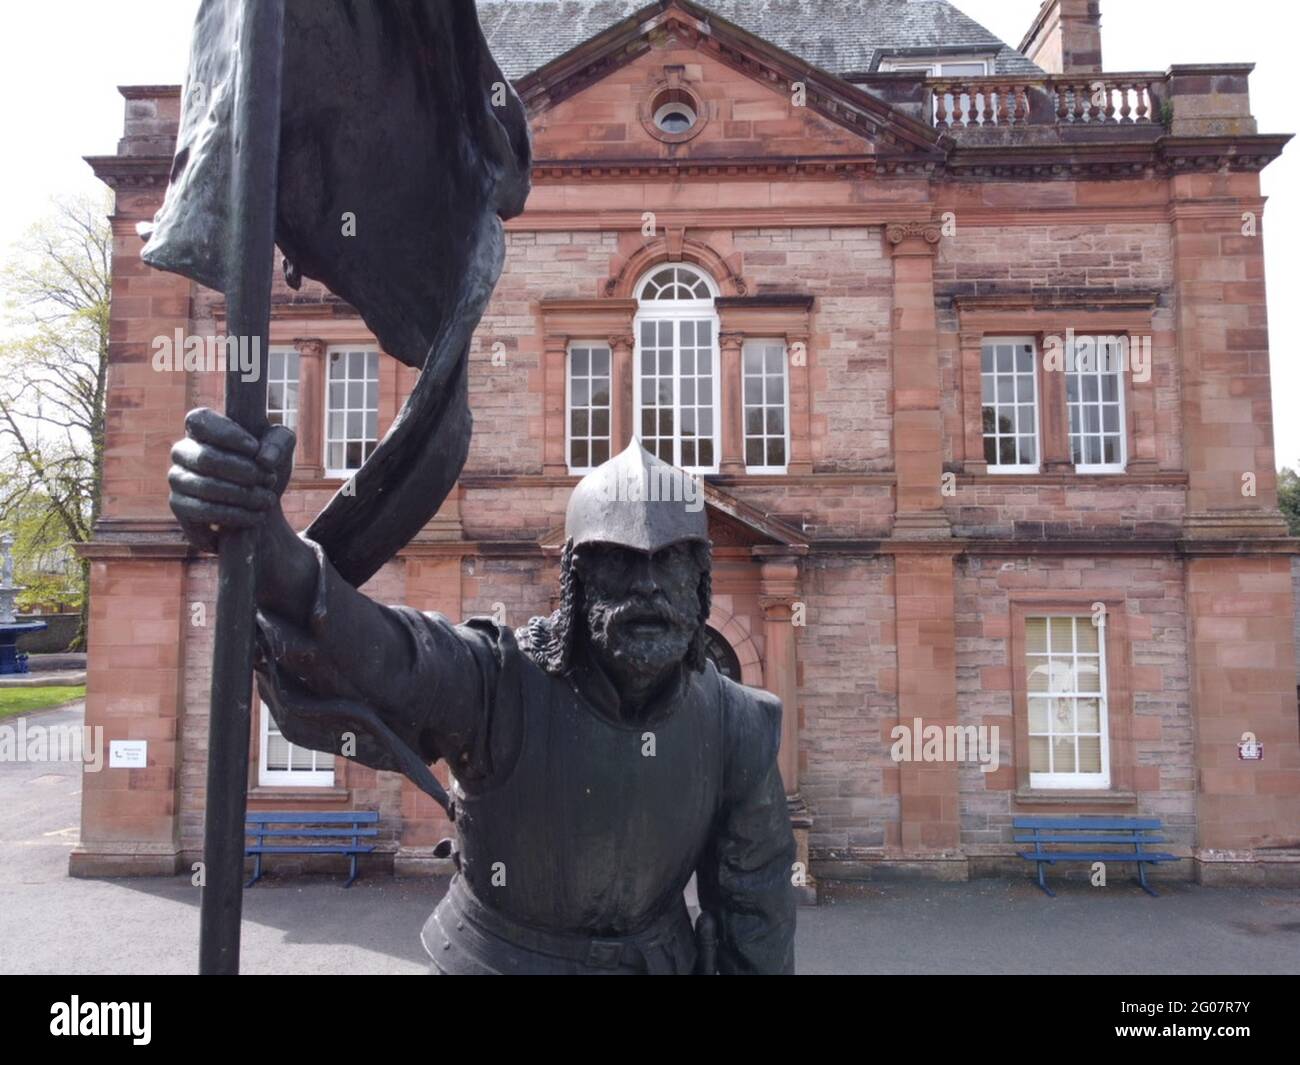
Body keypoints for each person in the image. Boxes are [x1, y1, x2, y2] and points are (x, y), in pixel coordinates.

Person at [169, 411, 796, 974]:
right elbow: (392, 657)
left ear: (702, 579)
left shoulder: (737, 723)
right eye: (618, 561)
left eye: (673, 562)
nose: (649, 588)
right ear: (576, 581)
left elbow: (754, 914)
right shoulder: (498, 677)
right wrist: (270, 548)